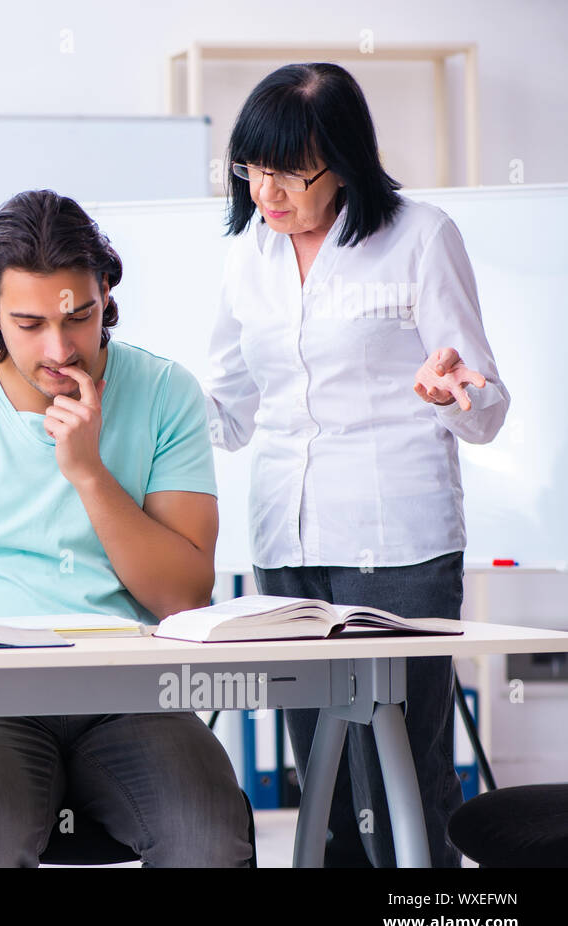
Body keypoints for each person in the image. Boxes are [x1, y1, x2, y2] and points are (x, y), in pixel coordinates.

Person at [0, 189, 253, 868]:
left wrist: (89, 473)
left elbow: (183, 597)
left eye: (79, 317)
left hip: (128, 692)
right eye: (30, 323)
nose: (60, 348)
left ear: (105, 293)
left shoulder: (164, 392)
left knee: (207, 834)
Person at [204, 63, 509, 867]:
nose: (266, 190)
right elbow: (227, 414)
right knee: (328, 780)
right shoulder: (247, 257)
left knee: (405, 781)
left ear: (343, 159)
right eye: (252, 168)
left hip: (398, 546)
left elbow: (488, 404)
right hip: (285, 544)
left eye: (288, 171)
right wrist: (135, 403)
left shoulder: (420, 236)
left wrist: (450, 396)